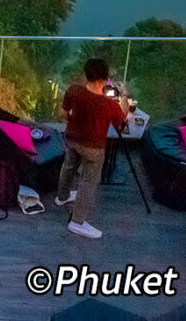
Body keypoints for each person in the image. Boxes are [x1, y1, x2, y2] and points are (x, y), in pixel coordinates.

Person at [56, 57, 127, 239]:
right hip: (93, 148)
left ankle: (62, 196)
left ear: (86, 75)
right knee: (88, 182)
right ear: (104, 80)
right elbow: (122, 120)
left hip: (71, 139)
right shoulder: (109, 105)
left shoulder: (74, 91)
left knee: (69, 166)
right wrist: (124, 96)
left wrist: (74, 122)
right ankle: (77, 222)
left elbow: (62, 113)